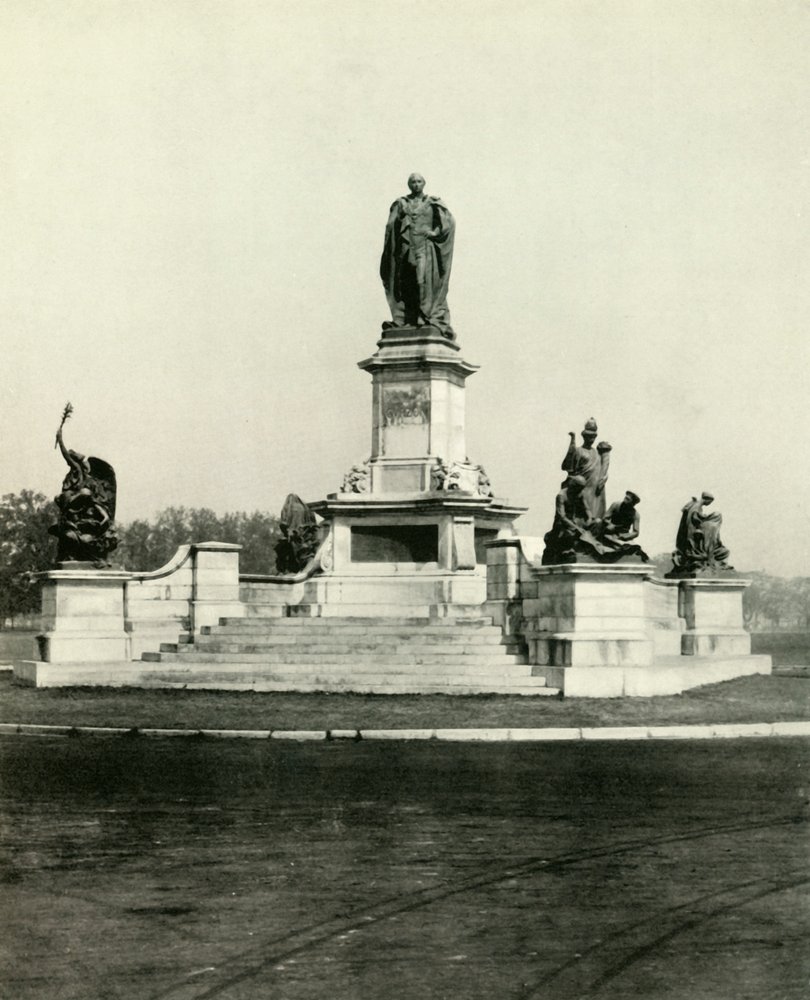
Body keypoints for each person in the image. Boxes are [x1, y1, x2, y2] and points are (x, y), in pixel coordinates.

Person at [380, 173, 455, 338]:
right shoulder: (401, 203)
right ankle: (407, 318)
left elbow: (447, 223)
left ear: (424, 183)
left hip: (424, 247)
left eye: (419, 181)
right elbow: (391, 226)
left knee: (421, 280)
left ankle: (424, 316)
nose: (416, 184)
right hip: (406, 249)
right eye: (412, 182)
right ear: (409, 184)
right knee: (405, 282)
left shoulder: (433, 202)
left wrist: (434, 232)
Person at [668, 492, 732, 576]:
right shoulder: (697, 506)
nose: (709, 504)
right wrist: (706, 518)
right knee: (713, 524)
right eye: (710, 502)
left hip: (690, 536)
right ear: (707, 499)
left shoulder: (694, 504)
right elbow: (695, 517)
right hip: (691, 535)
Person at [561, 418, 612, 520]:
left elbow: (603, 468)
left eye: (593, 437)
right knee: (582, 513)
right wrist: (572, 441)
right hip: (582, 487)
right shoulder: (578, 451)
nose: (591, 439)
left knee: (596, 515)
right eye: (589, 436)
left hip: (596, 488)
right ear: (584, 437)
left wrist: (604, 477)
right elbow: (567, 467)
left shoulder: (598, 453)